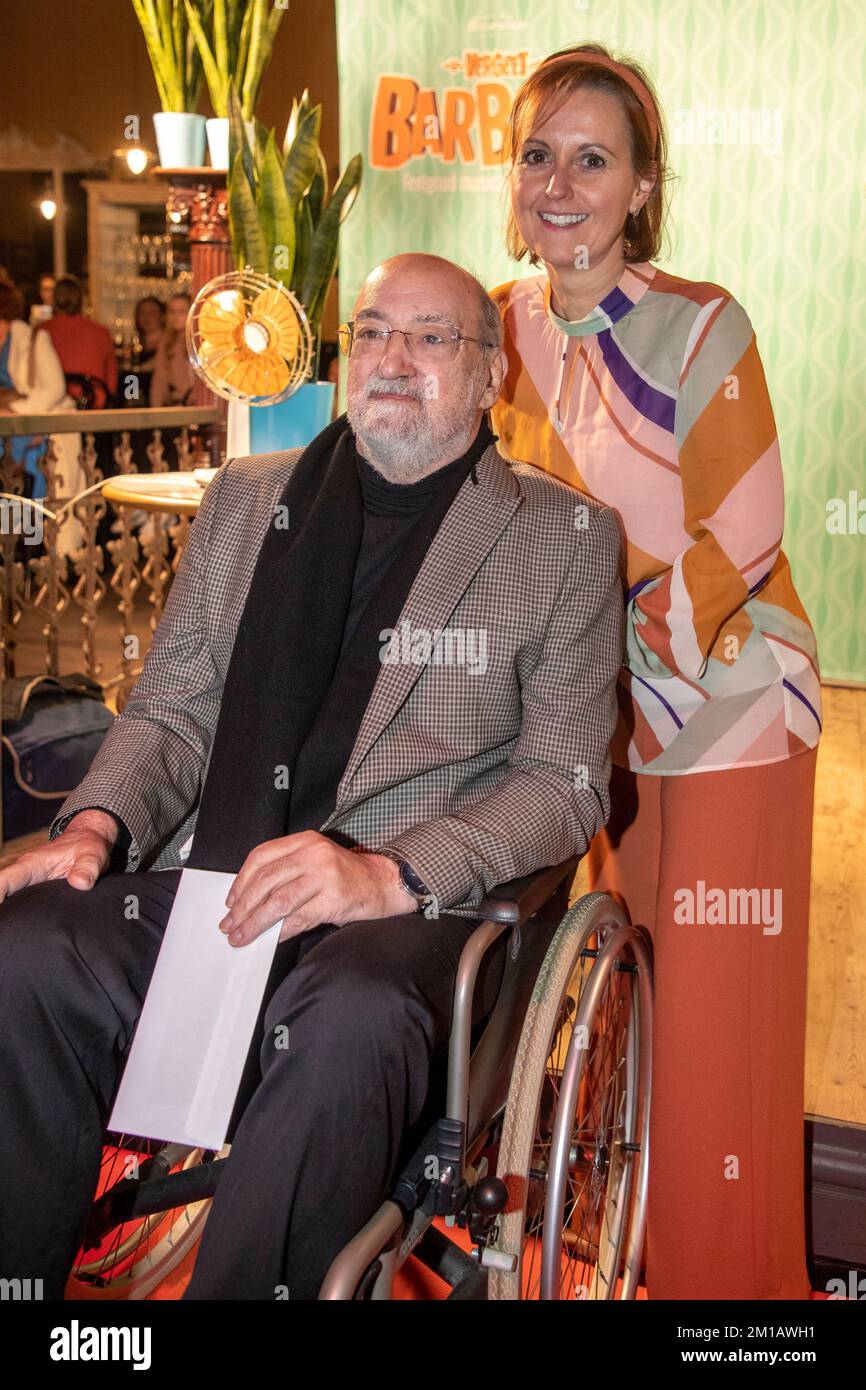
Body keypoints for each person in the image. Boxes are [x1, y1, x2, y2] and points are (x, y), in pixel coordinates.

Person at [0, 252, 624, 1301]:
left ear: (487, 378)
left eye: (432, 339)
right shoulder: (247, 502)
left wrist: (382, 874)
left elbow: (562, 784)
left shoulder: (560, 541)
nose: (393, 357)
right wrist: (94, 827)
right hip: (217, 879)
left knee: (349, 1027)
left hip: (404, 916)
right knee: (27, 955)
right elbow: (173, 708)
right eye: (374, 331)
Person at [490, 42, 822, 1301]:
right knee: (630, 1005)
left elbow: (741, 528)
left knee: (711, 1032)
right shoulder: (500, 328)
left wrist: (608, 673)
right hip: (600, 718)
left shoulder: (698, 322)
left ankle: (734, 1308)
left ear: (639, 187)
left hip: (728, 707)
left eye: (592, 158)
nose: (559, 183)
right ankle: (639, 1262)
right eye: (537, 155)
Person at [0, 277, 86, 557]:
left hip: (35, 426)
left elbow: (54, 389)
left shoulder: (35, 338)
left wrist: (14, 412)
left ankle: (24, 544)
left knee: (17, 463)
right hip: (14, 429)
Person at [40, 274, 117, 408]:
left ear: (55, 300)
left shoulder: (41, 331)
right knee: (132, 386)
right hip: (92, 404)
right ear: (82, 301)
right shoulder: (101, 332)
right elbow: (111, 384)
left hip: (51, 406)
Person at [148, 291, 194, 407]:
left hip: (196, 405)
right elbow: (159, 380)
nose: (175, 317)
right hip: (177, 406)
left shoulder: (197, 341)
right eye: (172, 312)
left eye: (181, 312)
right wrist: (156, 412)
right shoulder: (167, 342)